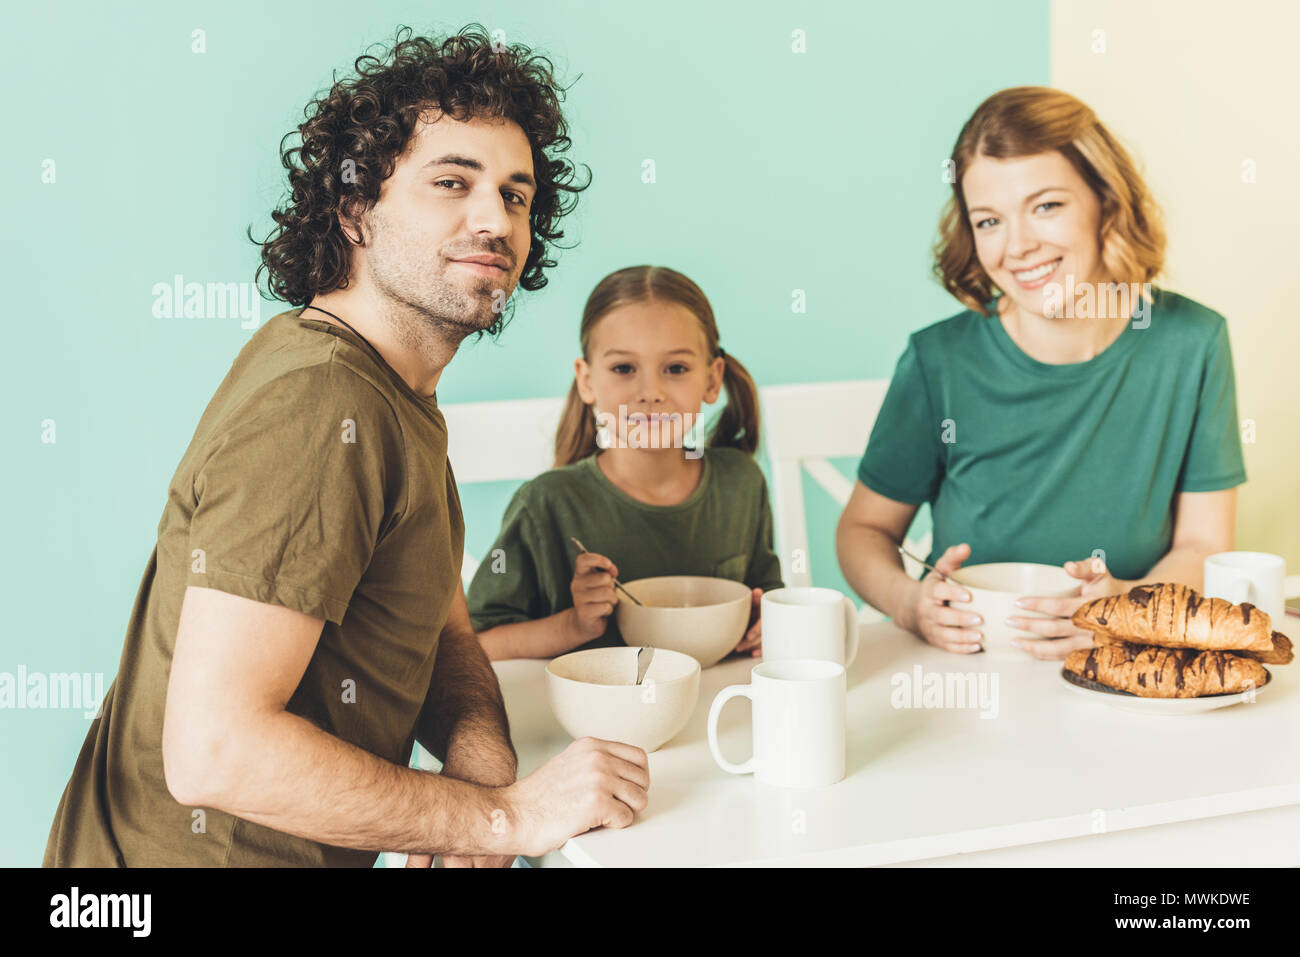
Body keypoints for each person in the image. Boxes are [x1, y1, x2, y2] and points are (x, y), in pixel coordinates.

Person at [43, 24, 649, 869]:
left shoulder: (391, 394)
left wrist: (482, 764)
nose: (495, 219)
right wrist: (504, 821)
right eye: (452, 182)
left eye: (515, 194)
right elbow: (213, 749)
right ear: (355, 209)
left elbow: (437, 626)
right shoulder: (321, 401)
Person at [837, 86, 1245, 661]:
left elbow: (1203, 543)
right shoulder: (939, 361)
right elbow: (863, 532)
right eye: (988, 221)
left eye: (1046, 206)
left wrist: (1121, 610)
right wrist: (909, 603)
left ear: (1106, 200)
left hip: (1124, 671)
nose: (1018, 246)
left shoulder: (1192, 342)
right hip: (975, 677)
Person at [467, 265, 784, 659]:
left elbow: (770, 600)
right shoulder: (545, 505)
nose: (650, 392)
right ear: (587, 380)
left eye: (675, 369)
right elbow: (477, 643)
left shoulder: (742, 483)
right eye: (623, 368)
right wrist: (574, 624)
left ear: (712, 379)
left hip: (724, 711)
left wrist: (765, 625)